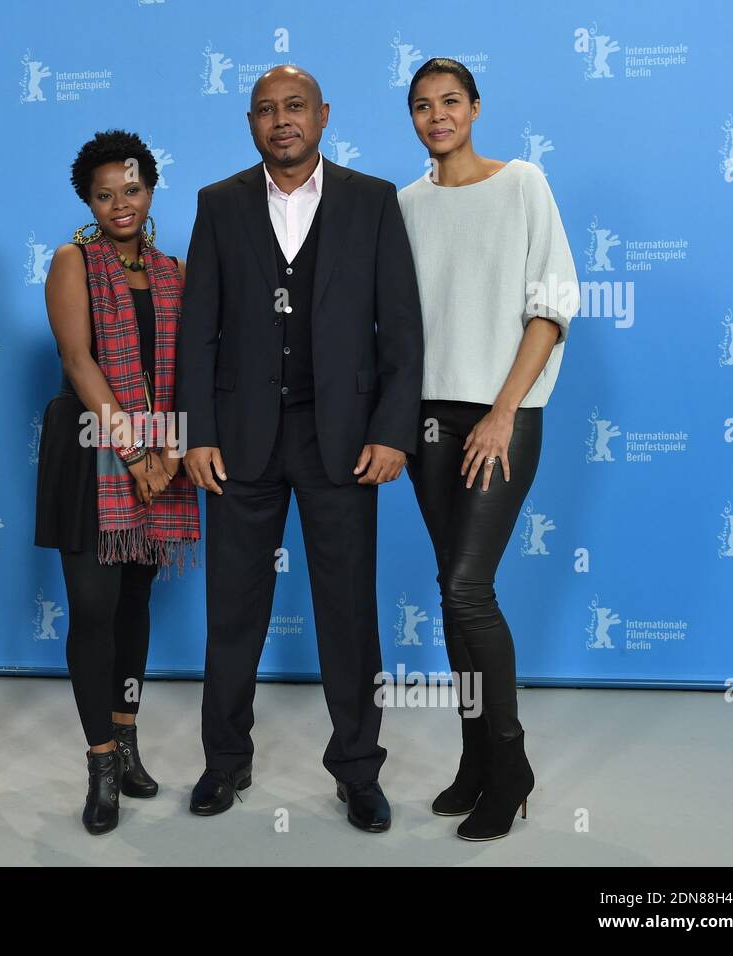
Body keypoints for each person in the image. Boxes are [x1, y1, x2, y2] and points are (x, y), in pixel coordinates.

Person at [177, 66, 424, 830]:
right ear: (250, 123)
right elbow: (198, 331)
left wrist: (391, 431)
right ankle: (224, 762)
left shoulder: (372, 200)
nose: (281, 121)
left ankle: (357, 769)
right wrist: (198, 434)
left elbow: (403, 329)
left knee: (348, 615)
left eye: (295, 108)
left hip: (343, 443)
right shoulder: (219, 204)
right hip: (240, 442)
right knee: (232, 613)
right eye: (266, 111)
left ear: (322, 115)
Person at [398, 58, 579, 841]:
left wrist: (504, 411)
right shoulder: (403, 204)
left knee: (470, 588)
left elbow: (552, 301)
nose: (437, 116)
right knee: (449, 590)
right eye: (421, 106)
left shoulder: (522, 184)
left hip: (502, 412)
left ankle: (511, 768)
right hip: (430, 417)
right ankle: (474, 760)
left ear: (475, 107)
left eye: (449, 102)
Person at [36, 129, 200, 835]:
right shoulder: (74, 261)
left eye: (130, 189)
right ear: (88, 201)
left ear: (151, 188)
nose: (119, 203)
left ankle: (127, 738)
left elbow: (185, 371)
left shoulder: (175, 271)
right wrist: (136, 456)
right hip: (92, 452)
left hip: (161, 452)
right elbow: (78, 362)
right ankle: (100, 761)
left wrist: (168, 453)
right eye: (104, 194)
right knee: (95, 609)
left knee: (135, 606)